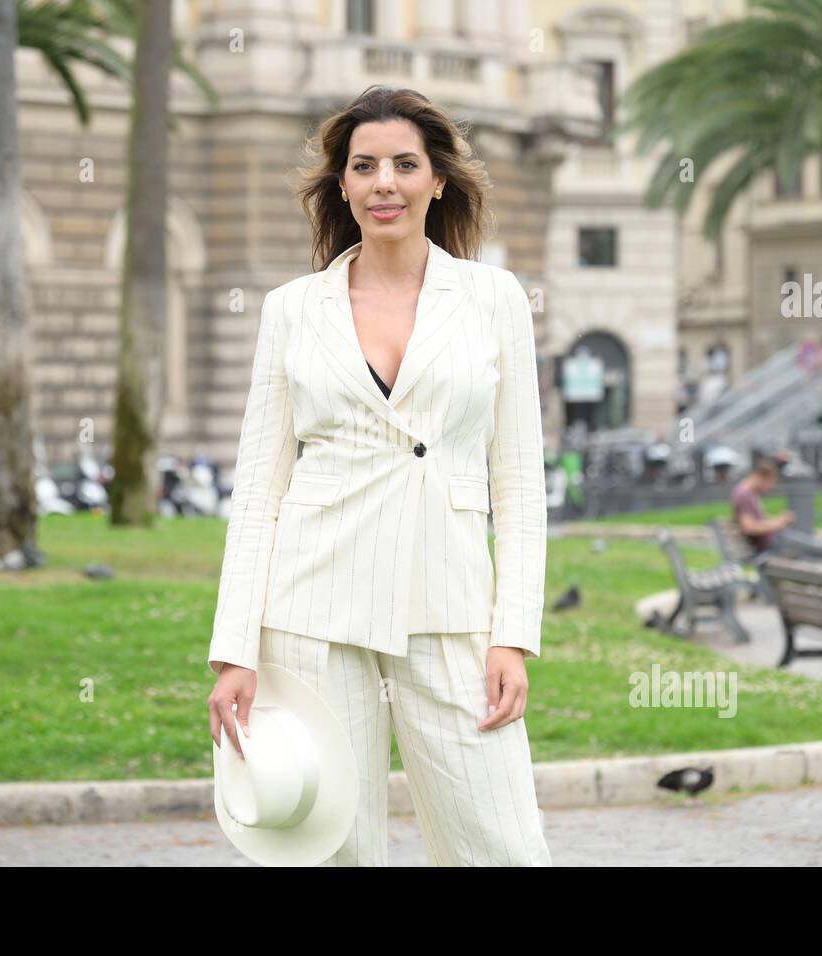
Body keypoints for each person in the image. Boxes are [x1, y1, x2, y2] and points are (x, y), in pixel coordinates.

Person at [205, 86, 552, 866]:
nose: (383, 183)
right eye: (364, 167)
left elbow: (521, 486)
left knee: (502, 845)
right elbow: (260, 489)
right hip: (313, 612)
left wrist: (513, 637)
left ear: (438, 180)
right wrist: (235, 651)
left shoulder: (495, 299)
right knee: (335, 849)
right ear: (342, 185)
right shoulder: (292, 309)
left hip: (452, 608)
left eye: (404, 164)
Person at [730, 458, 822, 562]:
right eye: (770, 483)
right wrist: (777, 523)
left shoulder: (749, 493)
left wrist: (778, 520)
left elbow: (756, 523)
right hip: (772, 546)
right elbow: (749, 527)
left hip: (776, 541)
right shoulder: (744, 494)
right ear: (762, 477)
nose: (770, 488)